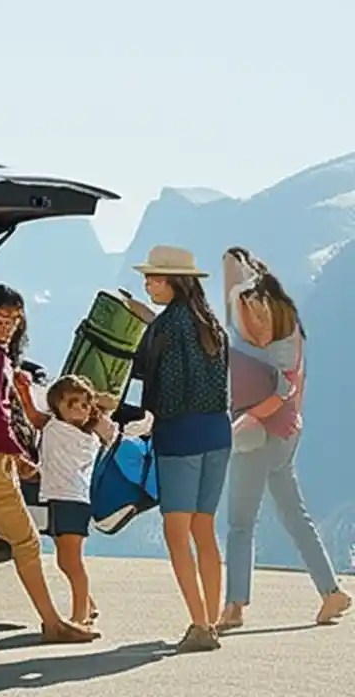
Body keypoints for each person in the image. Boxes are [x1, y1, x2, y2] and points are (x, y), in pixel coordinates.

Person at [0, 284, 98, 644]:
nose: (8, 325)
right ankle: (53, 623)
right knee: (26, 542)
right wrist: (18, 456)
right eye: (2, 318)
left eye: (14, 319)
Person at [216, 247, 352, 631]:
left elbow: (267, 379)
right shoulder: (288, 318)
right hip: (287, 431)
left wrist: (241, 422)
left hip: (256, 432)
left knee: (241, 523)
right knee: (295, 515)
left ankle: (235, 606)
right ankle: (331, 591)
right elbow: (293, 380)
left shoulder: (251, 310)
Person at [131, 245, 232, 652]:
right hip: (217, 433)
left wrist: (141, 418)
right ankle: (210, 617)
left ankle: (198, 624)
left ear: (174, 282)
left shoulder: (166, 328)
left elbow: (167, 391)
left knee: (176, 533)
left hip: (181, 437)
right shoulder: (210, 324)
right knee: (204, 529)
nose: (148, 283)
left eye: (154, 278)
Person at [39, 374, 118, 626]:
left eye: (84, 404)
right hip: (62, 499)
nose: (78, 408)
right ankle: (88, 604)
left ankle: (79, 615)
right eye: (71, 402)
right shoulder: (89, 436)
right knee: (66, 561)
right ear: (58, 405)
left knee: (71, 562)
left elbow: (35, 411)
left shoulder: (57, 428)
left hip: (71, 501)